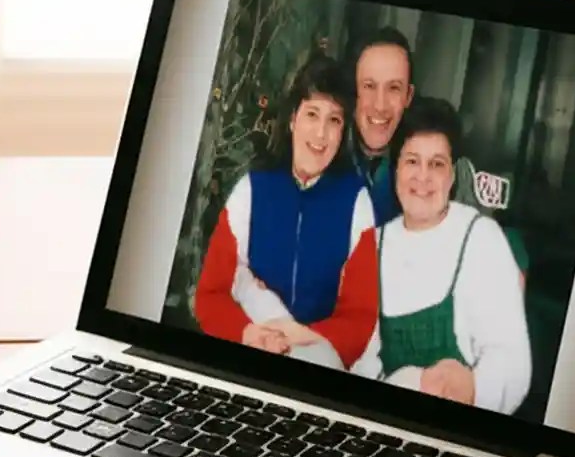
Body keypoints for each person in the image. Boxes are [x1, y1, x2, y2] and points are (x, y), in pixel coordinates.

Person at [193, 54, 378, 370]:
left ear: (343, 131)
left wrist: (298, 336)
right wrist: (248, 334)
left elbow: (360, 318)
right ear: (293, 120)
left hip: (317, 361)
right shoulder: (252, 190)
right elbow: (210, 295)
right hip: (249, 348)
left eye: (334, 120)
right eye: (312, 114)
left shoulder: (356, 202)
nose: (320, 134)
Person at [351, 97, 531, 414]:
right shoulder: (371, 248)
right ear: (396, 170)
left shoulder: (481, 237)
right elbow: (359, 361)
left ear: (452, 175)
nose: (423, 177)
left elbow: (511, 358)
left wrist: (473, 389)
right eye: (412, 161)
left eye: (437, 164)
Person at [342, 27, 416, 226]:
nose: (380, 105)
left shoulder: (425, 172)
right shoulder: (323, 153)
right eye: (369, 86)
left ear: (408, 96)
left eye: (394, 88)